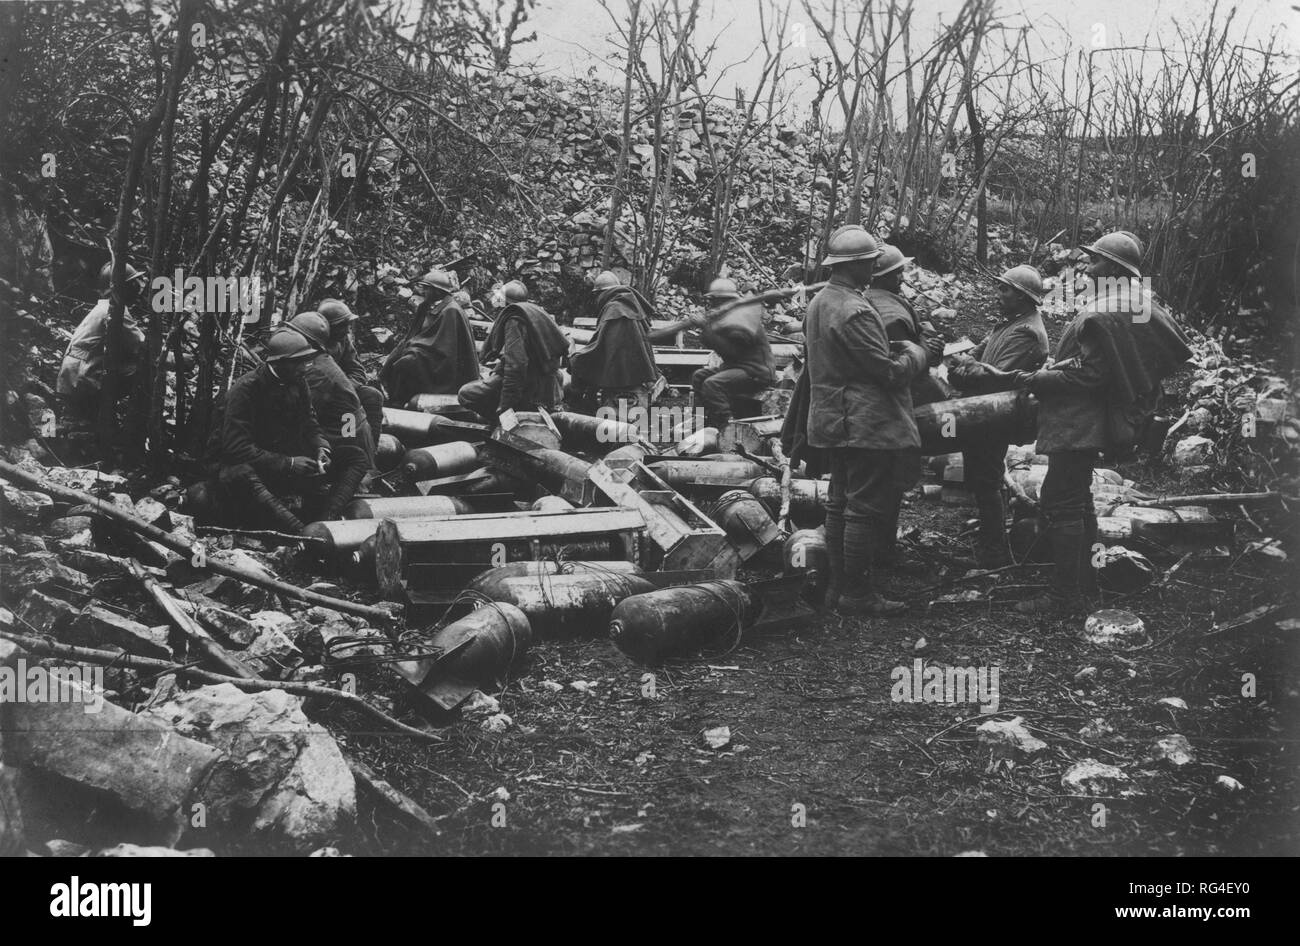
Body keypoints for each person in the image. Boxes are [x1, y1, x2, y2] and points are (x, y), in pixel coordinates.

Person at [1009, 232, 1192, 614]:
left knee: (1062, 501)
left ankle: (1064, 598)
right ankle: (1085, 584)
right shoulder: (1135, 304)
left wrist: (1039, 379)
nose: (1087, 268)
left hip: (1078, 423)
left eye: (1093, 262)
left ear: (1110, 267)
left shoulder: (1105, 311)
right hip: (1093, 421)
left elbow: (1091, 375)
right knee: (1079, 503)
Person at [783, 225, 930, 617]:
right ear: (856, 266)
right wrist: (916, 353)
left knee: (838, 503)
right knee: (862, 507)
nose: (874, 268)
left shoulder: (821, 302)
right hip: (863, 421)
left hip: (832, 417)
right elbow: (889, 373)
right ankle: (857, 594)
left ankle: (836, 588)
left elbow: (849, 356)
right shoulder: (854, 308)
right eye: (869, 263)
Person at [948, 265, 1051, 567]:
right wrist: (967, 368)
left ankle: (994, 553)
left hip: (996, 416)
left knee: (988, 481)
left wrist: (967, 371)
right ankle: (992, 541)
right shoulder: (1010, 324)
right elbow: (971, 362)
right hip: (982, 413)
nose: (998, 294)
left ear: (1021, 297)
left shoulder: (1027, 332)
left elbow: (990, 379)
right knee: (984, 481)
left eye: (1005, 290)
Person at [216, 329, 331, 535]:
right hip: (238, 465)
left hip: (275, 462)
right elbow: (236, 448)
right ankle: (302, 535)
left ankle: (325, 524)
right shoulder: (246, 389)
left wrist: (321, 447)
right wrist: (289, 464)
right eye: (298, 362)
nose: (304, 367)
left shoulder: (298, 381)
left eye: (306, 361)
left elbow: (309, 422)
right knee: (242, 476)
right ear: (278, 363)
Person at [286, 312, 373, 516]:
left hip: (347, 422)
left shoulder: (316, 368)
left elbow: (305, 411)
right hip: (348, 418)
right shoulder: (317, 357)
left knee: (342, 449)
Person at [57, 262, 148, 425]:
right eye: (132, 284)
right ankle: (129, 427)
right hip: (82, 380)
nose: (136, 288)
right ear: (122, 287)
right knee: (145, 367)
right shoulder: (115, 311)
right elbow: (143, 347)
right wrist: (181, 360)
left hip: (70, 378)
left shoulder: (103, 307)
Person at [458, 296, 569, 421]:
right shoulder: (535, 313)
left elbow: (516, 366)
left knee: (465, 394)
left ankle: (496, 421)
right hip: (548, 379)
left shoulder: (514, 319)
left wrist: (505, 407)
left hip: (529, 382)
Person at [685, 277, 776, 428]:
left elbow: (731, 351)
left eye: (714, 302)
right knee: (699, 376)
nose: (712, 306)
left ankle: (727, 425)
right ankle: (701, 418)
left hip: (756, 371)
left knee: (712, 385)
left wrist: (706, 328)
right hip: (738, 367)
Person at [379, 268, 479, 406]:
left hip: (443, 363)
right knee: (395, 357)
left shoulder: (451, 311)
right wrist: (408, 346)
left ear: (438, 291)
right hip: (427, 353)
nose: (423, 292)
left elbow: (444, 346)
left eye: (427, 289)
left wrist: (415, 348)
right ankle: (389, 394)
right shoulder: (426, 306)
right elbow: (415, 334)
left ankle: (399, 401)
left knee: (406, 363)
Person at [567, 270, 660, 414]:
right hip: (636, 365)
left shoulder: (614, 308)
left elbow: (600, 346)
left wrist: (577, 354)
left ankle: (578, 405)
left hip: (620, 363)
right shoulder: (630, 303)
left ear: (601, 293)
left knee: (577, 361)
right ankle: (589, 400)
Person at [865, 244, 947, 406]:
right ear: (884, 276)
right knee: (949, 415)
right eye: (898, 273)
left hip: (895, 385)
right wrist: (929, 349)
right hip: (903, 393)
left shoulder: (872, 297)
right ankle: (948, 432)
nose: (902, 278)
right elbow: (904, 366)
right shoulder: (892, 316)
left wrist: (930, 344)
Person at [316, 298, 384, 454]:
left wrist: (346, 389)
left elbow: (357, 371)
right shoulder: (312, 342)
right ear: (328, 327)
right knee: (347, 414)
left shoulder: (343, 340)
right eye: (342, 326)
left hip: (343, 392)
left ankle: (370, 453)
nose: (347, 330)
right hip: (319, 397)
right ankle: (348, 456)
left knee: (373, 396)